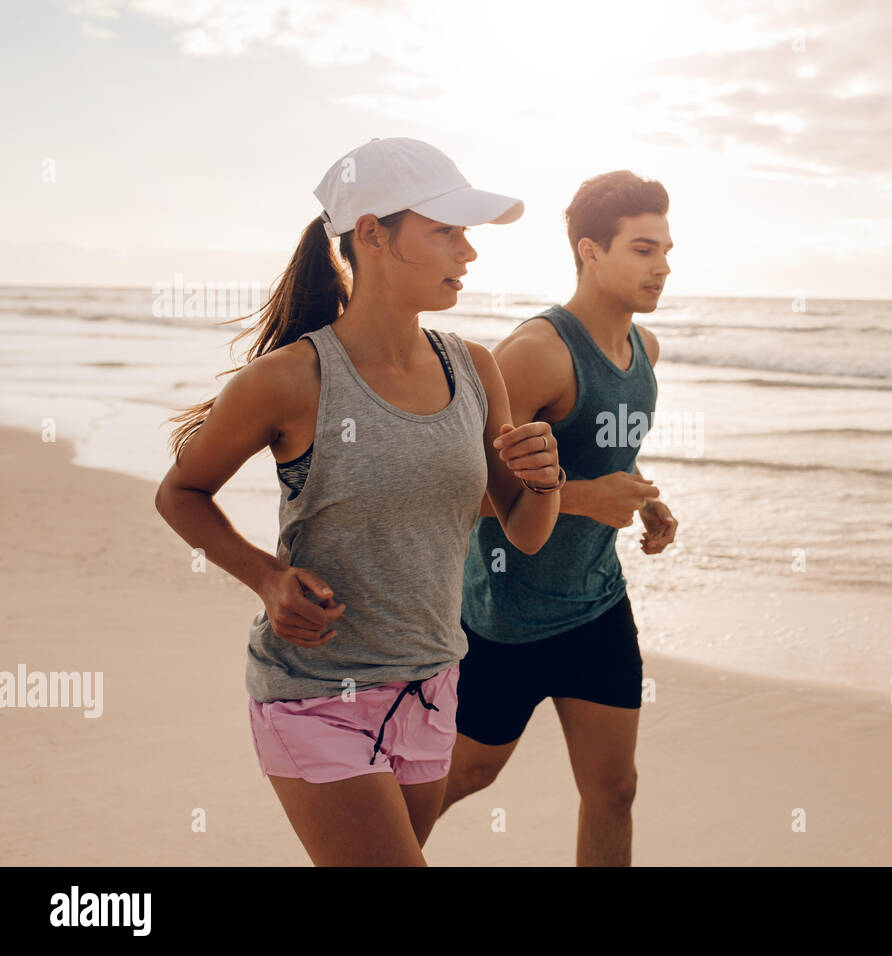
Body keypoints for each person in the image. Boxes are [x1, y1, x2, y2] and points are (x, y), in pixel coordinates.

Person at [154, 137, 564, 866]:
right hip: (314, 695)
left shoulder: (474, 368)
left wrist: (543, 481)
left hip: (434, 685)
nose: (467, 252)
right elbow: (180, 492)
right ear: (372, 233)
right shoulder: (291, 380)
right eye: (445, 230)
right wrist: (267, 576)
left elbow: (526, 533)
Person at [436, 170, 678, 866]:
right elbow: (462, 482)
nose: (661, 267)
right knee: (466, 775)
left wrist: (639, 497)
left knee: (614, 788)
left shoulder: (645, 353)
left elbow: (601, 455)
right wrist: (585, 498)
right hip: (505, 618)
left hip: (597, 607)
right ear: (589, 252)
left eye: (665, 249)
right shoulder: (538, 352)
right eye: (641, 249)